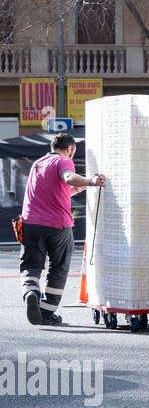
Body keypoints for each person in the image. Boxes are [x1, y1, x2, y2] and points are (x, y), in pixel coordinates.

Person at [19, 133, 105, 326]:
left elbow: (58, 191)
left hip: (30, 223)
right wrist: (91, 181)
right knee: (59, 268)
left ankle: (31, 293)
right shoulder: (63, 162)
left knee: (31, 265)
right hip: (58, 226)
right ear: (70, 149)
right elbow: (68, 178)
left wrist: (80, 188)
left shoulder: (38, 164)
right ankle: (47, 312)